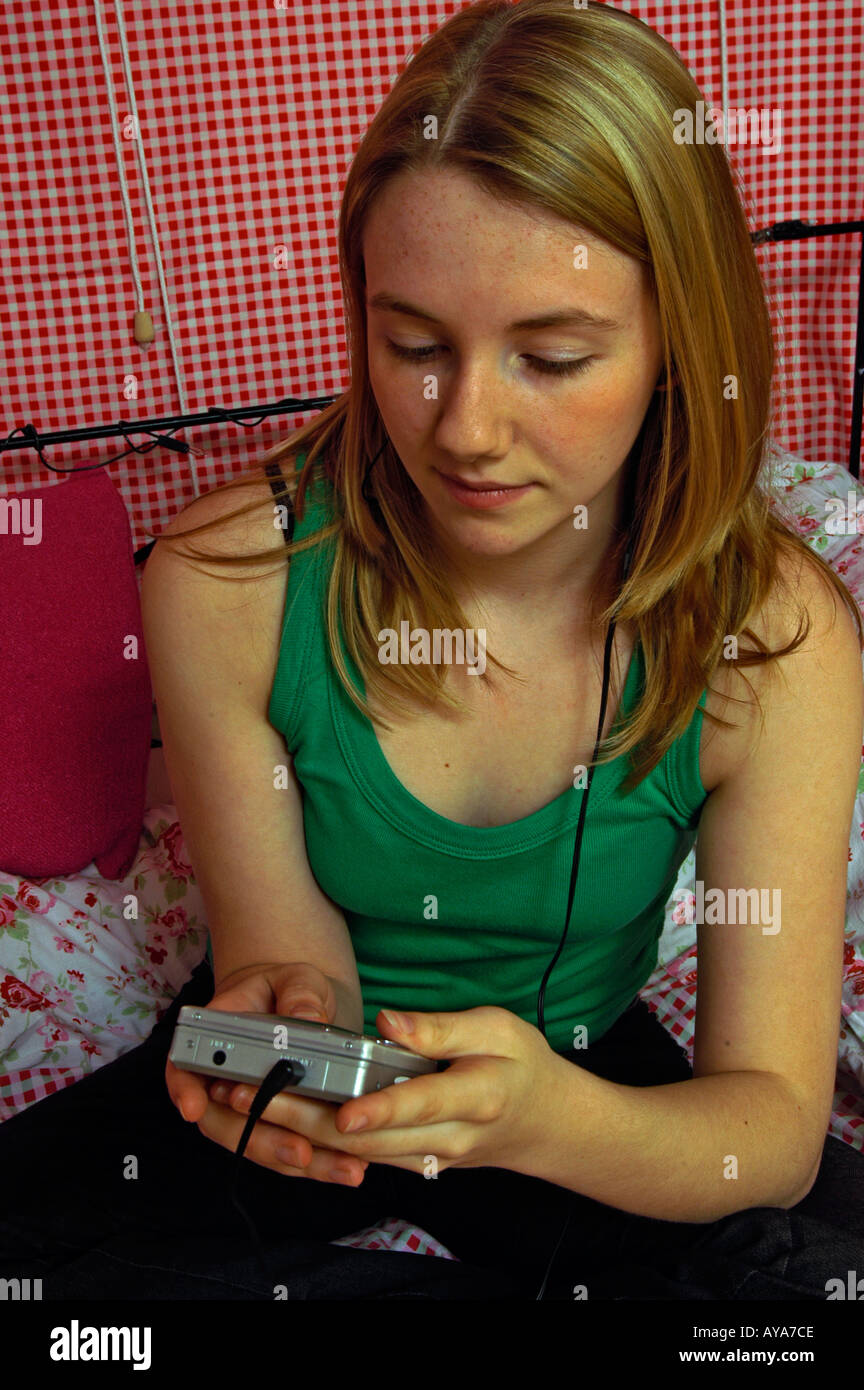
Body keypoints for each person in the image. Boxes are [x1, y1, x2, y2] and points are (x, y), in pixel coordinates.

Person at [2, 0, 864, 1302]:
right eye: (412, 345)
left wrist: (541, 1120)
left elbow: (772, 1130)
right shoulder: (223, 582)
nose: (464, 427)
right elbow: (293, 974)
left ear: (680, 344)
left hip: (578, 1084)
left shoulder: (776, 647)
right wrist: (271, 1050)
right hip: (323, 1083)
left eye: (553, 355)